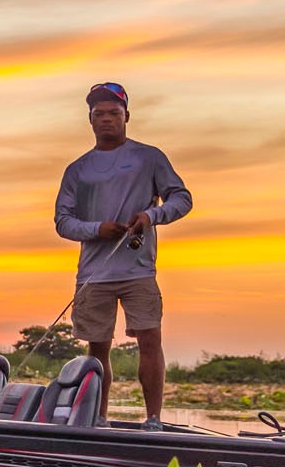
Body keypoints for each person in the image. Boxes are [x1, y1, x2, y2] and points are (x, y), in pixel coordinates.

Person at [53, 81, 191, 428]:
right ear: (90, 120)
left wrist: (151, 216)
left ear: (126, 116)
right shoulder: (77, 169)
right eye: (99, 114)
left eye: (114, 113)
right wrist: (96, 229)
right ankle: (98, 418)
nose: (107, 119)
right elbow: (62, 221)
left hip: (138, 271)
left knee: (150, 339)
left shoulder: (149, 157)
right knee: (97, 348)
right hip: (94, 274)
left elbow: (182, 198)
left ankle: (153, 419)